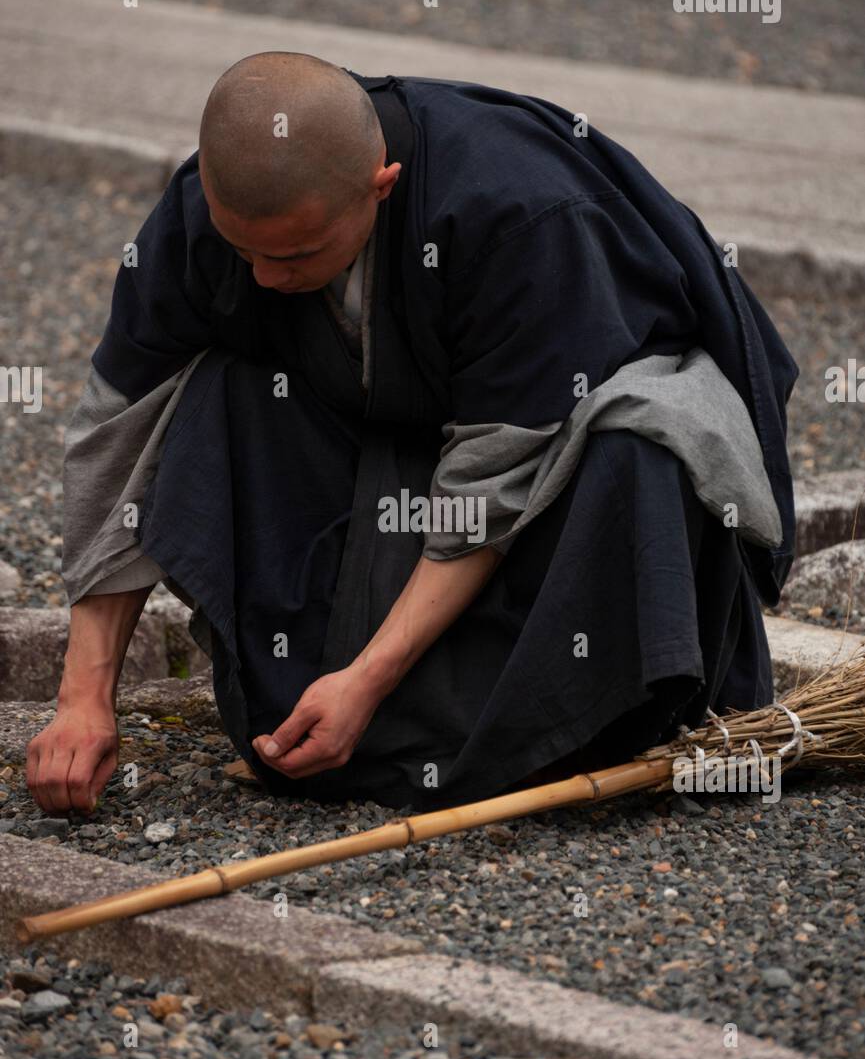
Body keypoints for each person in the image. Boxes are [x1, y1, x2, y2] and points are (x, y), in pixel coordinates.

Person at [26, 52, 798, 815]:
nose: (261, 278)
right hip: (396, 435)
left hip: (563, 456)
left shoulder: (515, 213)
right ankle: (319, 703)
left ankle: (573, 725)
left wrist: (367, 679)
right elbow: (116, 431)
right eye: (243, 251)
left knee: (645, 444)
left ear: (381, 186)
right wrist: (83, 700)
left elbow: (492, 476)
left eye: (293, 254)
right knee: (218, 391)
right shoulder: (204, 212)